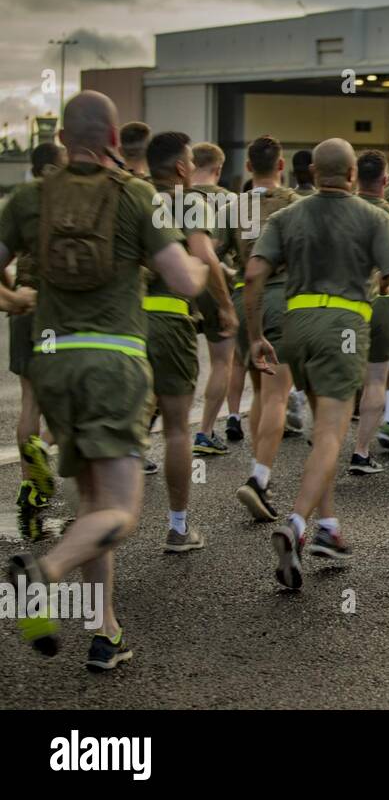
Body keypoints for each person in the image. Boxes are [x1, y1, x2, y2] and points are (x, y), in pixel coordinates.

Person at [1, 91, 208, 669]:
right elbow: (183, 282)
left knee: (92, 504)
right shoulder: (136, 195)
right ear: (114, 140)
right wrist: (198, 260)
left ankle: (104, 632)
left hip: (53, 363)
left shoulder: (29, 198)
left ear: (62, 139)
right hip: (114, 363)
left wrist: (15, 299)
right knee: (120, 511)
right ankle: (43, 574)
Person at [244, 138, 389, 589]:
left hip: (296, 325)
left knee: (322, 433)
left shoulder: (286, 215)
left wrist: (256, 335)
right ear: (352, 175)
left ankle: (328, 528)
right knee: (332, 435)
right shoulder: (373, 217)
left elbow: (254, 273)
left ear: (312, 173)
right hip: (343, 326)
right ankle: (296, 525)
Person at [144, 131, 238, 552]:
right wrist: (225, 305)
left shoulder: (132, 198)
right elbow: (204, 256)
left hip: (122, 321)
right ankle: (178, 527)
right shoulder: (187, 202)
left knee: (124, 424)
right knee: (177, 430)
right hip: (169, 317)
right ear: (182, 168)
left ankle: (103, 520)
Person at [232, 135, 301, 523]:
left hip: (245, 299)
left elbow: (217, 255)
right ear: (281, 165)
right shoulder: (293, 203)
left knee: (259, 391)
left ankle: (259, 465)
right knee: (278, 394)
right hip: (281, 297)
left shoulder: (235, 206)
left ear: (248, 167)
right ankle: (259, 477)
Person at [6, 143, 64, 540]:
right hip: (53, 311)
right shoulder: (65, 202)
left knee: (30, 399)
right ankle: (43, 450)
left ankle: (30, 482)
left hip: (22, 305)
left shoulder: (20, 203)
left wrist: (11, 294)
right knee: (66, 397)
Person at [346, 149, 389, 475]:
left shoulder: (343, 211)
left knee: (342, 379)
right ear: (385, 179)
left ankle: (326, 443)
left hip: (345, 304)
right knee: (377, 378)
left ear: (354, 176)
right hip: (382, 302)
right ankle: (361, 451)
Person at [189, 142, 241, 456]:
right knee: (221, 362)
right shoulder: (233, 201)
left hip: (177, 284)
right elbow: (246, 249)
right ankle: (205, 431)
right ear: (218, 169)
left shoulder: (173, 198)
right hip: (217, 284)